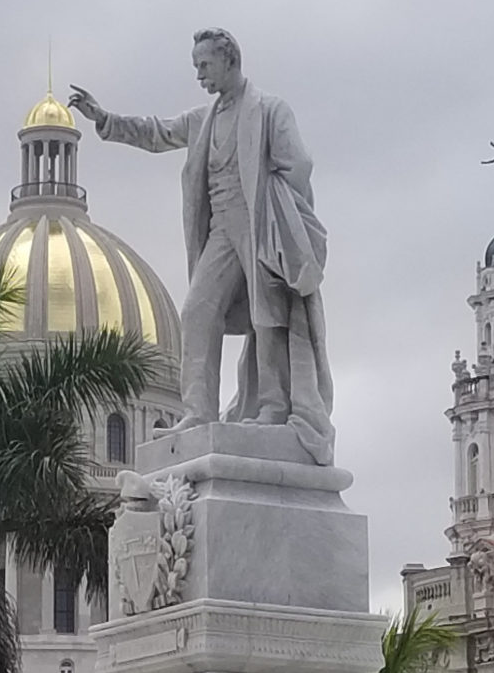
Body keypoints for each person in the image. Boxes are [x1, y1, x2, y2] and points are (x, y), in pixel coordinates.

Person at [70, 29, 336, 463]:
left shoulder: (269, 110)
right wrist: (106, 119)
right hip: (222, 231)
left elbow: (299, 166)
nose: (199, 75)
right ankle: (198, 410)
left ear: (229, 61)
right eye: (196, 67)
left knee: (267, 315)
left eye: (204, 66)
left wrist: (280, 214)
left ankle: (272, 405)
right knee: (197, 310)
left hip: (258, 223)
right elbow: (158, 133)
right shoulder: (203, 119)